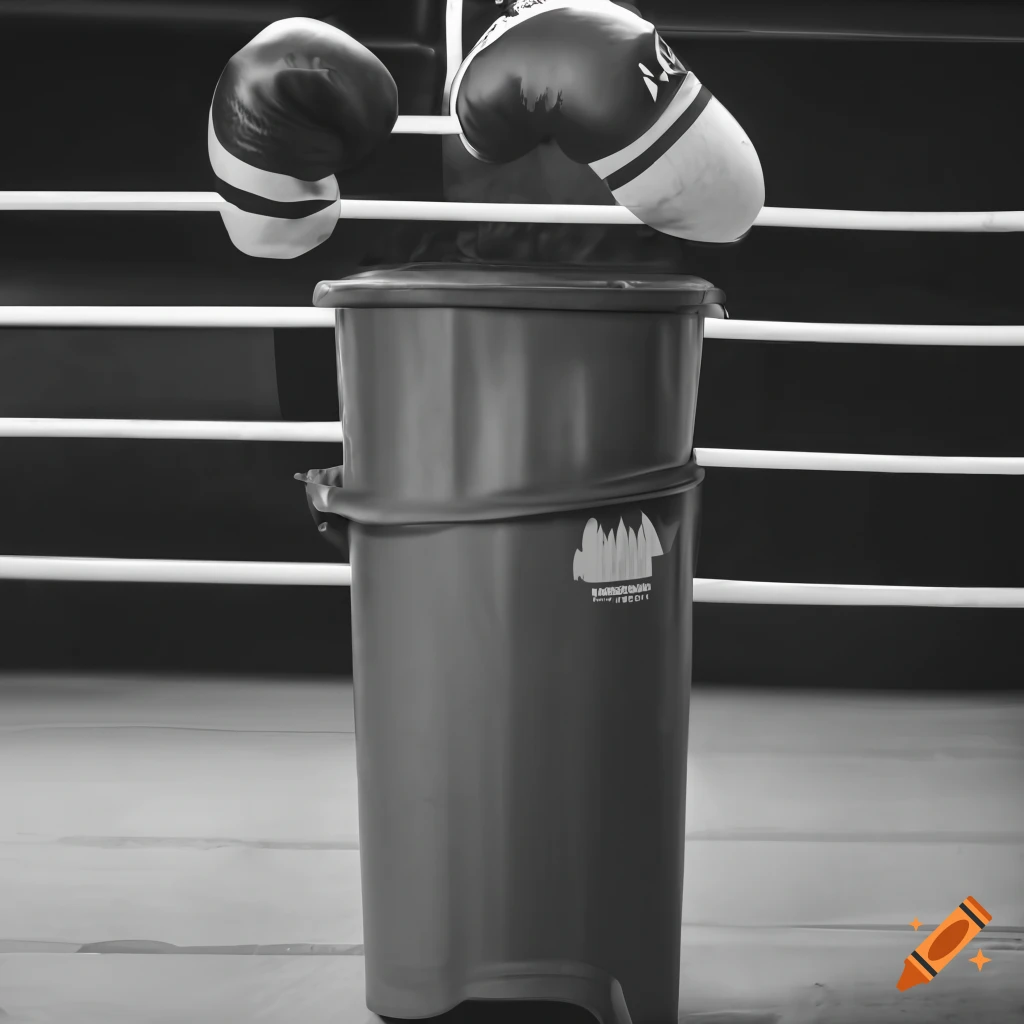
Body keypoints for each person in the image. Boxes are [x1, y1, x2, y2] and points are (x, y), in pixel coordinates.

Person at [208, 0, 764, 264]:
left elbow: (729, 205)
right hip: (438, 312)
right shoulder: (382, 25)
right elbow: (271, 237)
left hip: (619, 303)